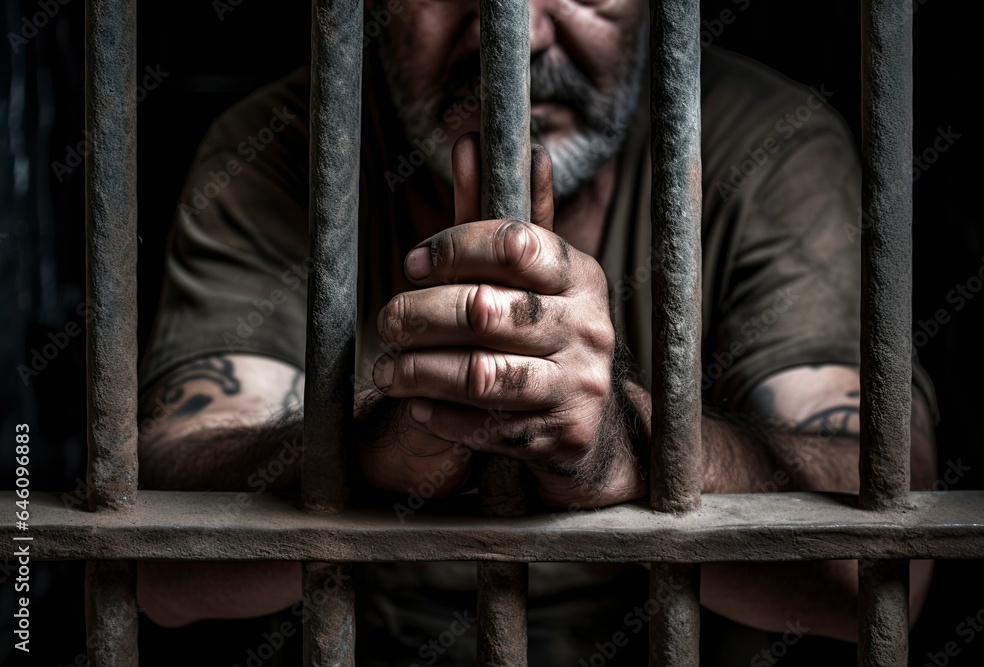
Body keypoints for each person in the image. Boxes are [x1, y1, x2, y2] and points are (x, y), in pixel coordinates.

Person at [134, 0, 939, 663]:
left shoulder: (766, 150)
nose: (515, 32)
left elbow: (881, 570)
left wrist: (624, 448)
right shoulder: (279, 152)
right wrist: (378, 446)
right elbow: (151, 560)